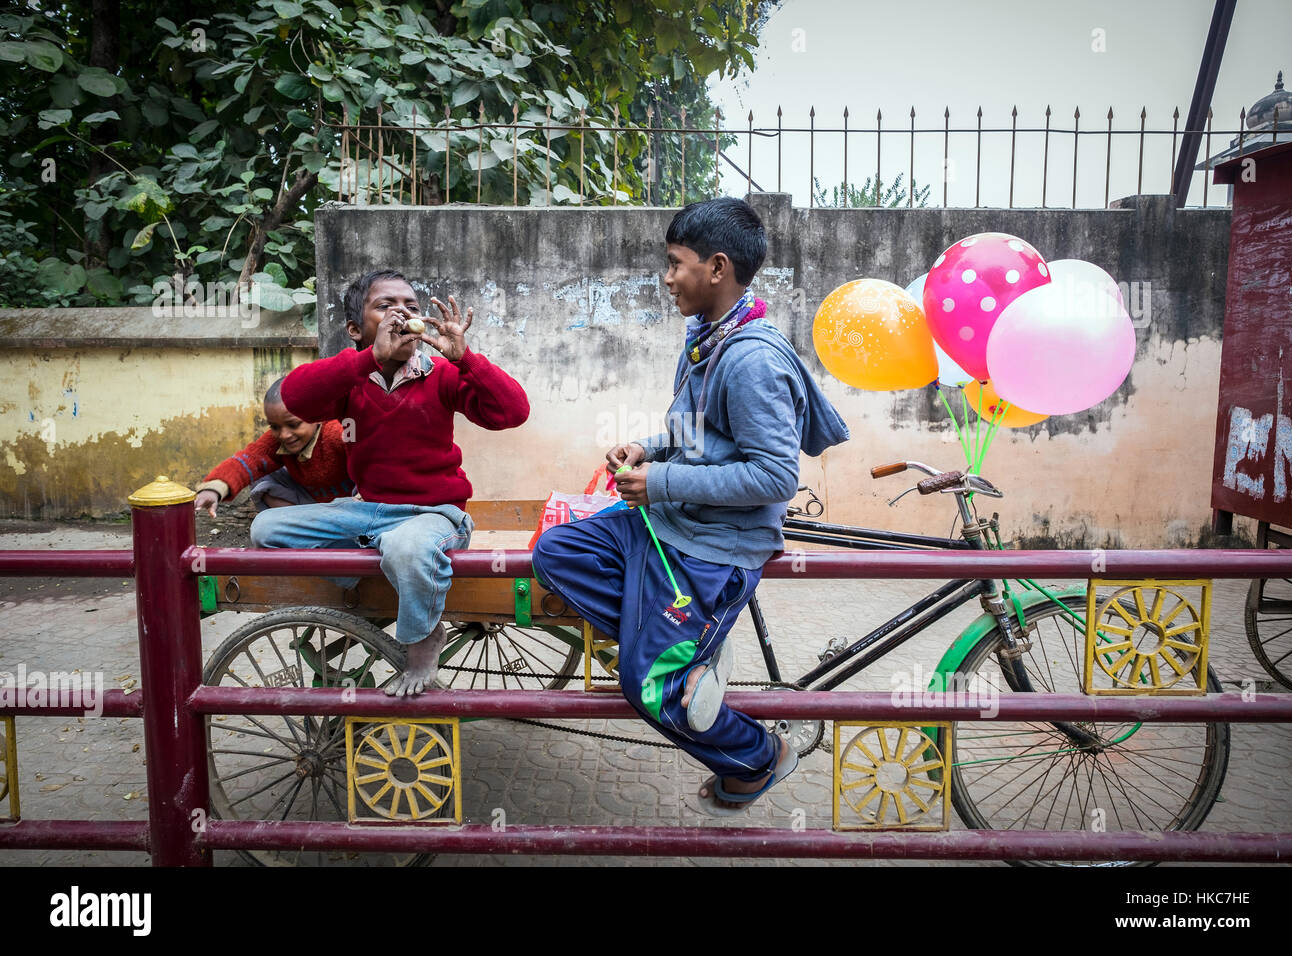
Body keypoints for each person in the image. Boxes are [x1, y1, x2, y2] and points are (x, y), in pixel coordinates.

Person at [532, 197, 850, 815]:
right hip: (666, 525)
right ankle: (695, 646)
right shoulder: (707, 335)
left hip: (712, 550)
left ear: (717, 267)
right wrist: (647, 447)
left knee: (647, 685)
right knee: (556, 552)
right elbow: (696, 429)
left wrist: (663, 482)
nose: (668, 277)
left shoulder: (752, 359)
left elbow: (775, 476)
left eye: (676, 263)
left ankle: (759, 754)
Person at [250, 269, 530, 696]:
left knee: (406, 546)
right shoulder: (352, 379)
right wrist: (370, 359)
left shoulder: (440, 373)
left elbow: (513, 412)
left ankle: (422, 638)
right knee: (266, 528)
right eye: (385, 306)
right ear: (355, 329)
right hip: (368, 511)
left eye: (411, 306)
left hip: (435, 516)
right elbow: (296, 398)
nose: (402, 312)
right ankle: (379, 578)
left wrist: (466, 359)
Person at [193, 377, 353, 517]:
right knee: (259, 475)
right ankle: (303, 522)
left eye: (293, 424)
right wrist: (213, 490)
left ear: (318, 416)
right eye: (275, 427)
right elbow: (248, 460)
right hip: (312, 504)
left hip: (354, 507)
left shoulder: (338, 433)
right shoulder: (277, 441)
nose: (284, 435)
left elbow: (373, 460)